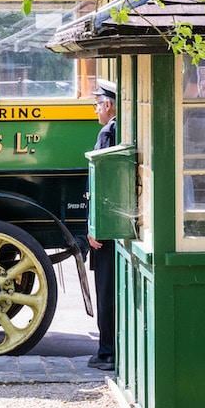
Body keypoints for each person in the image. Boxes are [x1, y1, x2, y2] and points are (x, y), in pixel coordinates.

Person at [86, 80, 117, 371]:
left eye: (98, 104)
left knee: (106, 289)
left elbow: (102, 182)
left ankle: (108, 351)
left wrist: (95, 225)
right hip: (113, 223)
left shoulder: (108, 131)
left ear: (108, 105)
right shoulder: (115, 128)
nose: (96, 110)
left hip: (106, 227)